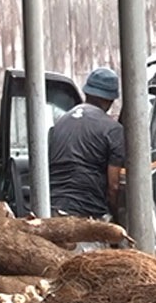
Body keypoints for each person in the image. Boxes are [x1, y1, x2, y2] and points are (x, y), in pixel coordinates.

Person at [48, 67, 126, 221]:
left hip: (53, 209)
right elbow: (114, 187)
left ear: (86, 92)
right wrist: (116, 218)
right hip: (86, 214)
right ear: (110, 100)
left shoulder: (59, 124)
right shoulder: (113, 130)